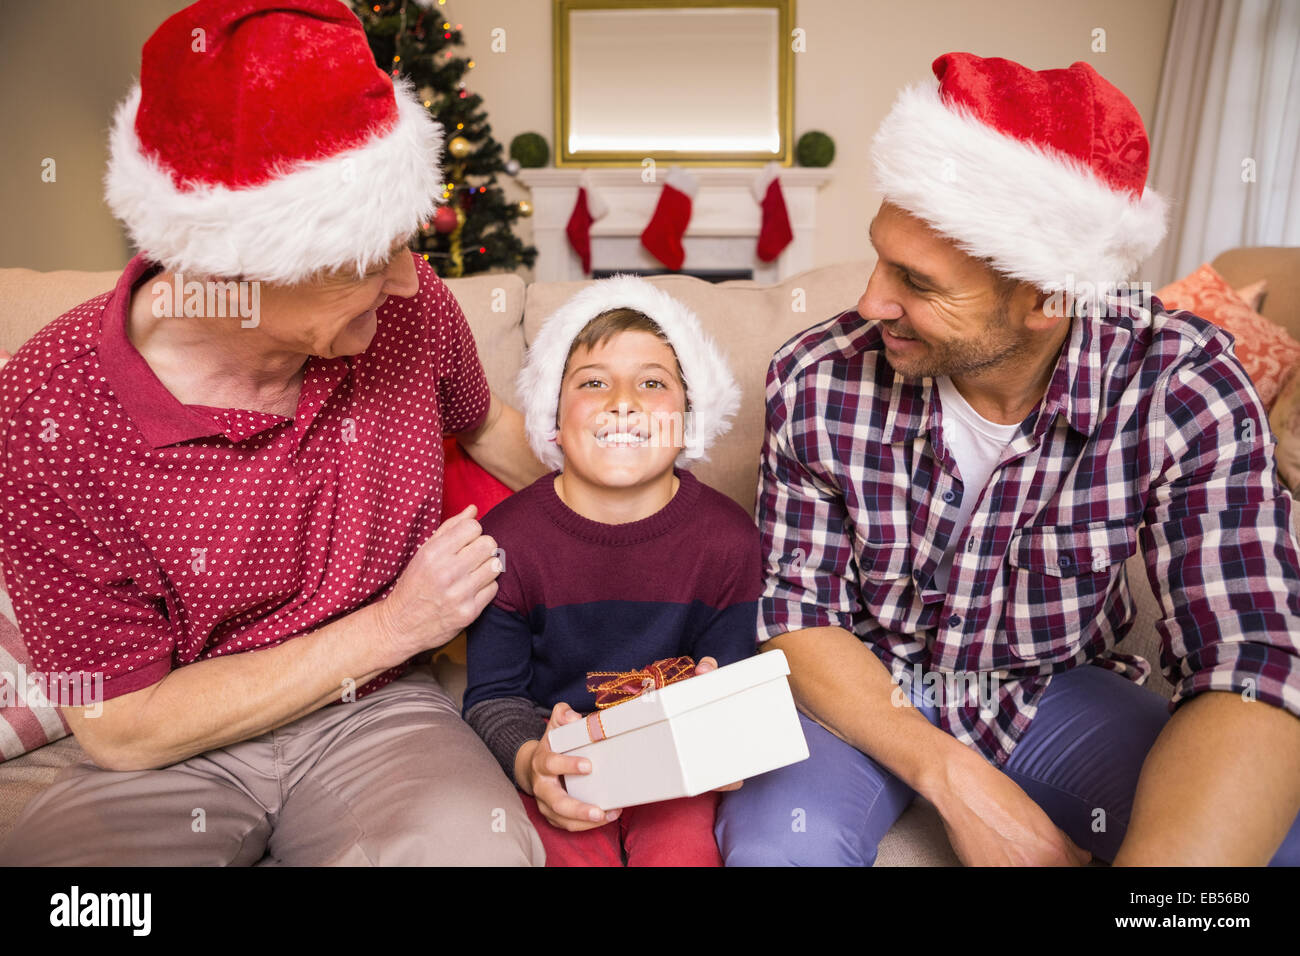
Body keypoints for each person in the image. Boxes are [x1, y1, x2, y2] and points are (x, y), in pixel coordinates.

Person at [715, 52, 1300, 866]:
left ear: (1047, 299)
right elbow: (799, 617)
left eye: (917, 282)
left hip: (1055, 690)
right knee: (776, 852)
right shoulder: (817, 376)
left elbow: (1251, 659)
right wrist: (960, 783)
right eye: (881, 256)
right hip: (858, 688)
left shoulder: (1181, 385)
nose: (870, 301)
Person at [0, 0, 549, 865]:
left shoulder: (410, 318)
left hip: (378, 716)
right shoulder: (48, 407)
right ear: (238, 272)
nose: (409, 285)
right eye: (370, 264)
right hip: (171, 740)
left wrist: (661, 517)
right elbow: (117, 727)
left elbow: (488, 429)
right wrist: (393, 626)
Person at [462, 276, 760, 866]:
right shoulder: (507, 540)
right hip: (563, 756)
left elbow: (732, 687)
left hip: (675, 755)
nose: (623, 402)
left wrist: (723, 735)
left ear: (689, 419)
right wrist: (531, 764)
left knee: (682, 853)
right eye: (594, 383)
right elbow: (494, 696)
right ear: (553, 418)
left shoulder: (729, 540)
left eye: (652, 383)